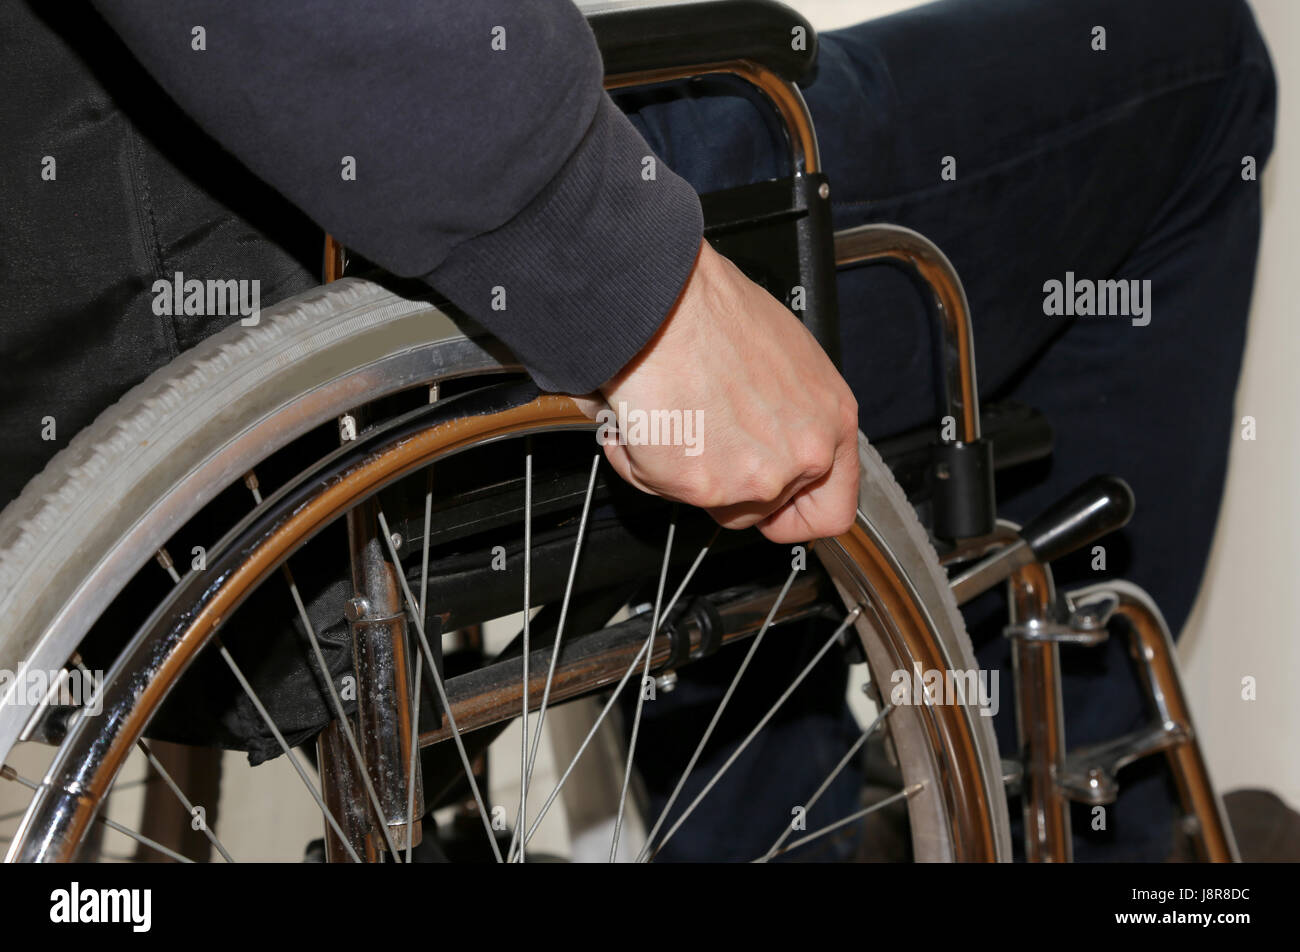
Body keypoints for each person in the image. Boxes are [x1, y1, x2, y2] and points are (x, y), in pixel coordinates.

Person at [0, 0, 1276, 861]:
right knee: (1192, 58)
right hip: (318, 286)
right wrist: (632, 278)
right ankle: (1113, 838)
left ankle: (775, 814)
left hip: (75, 383)